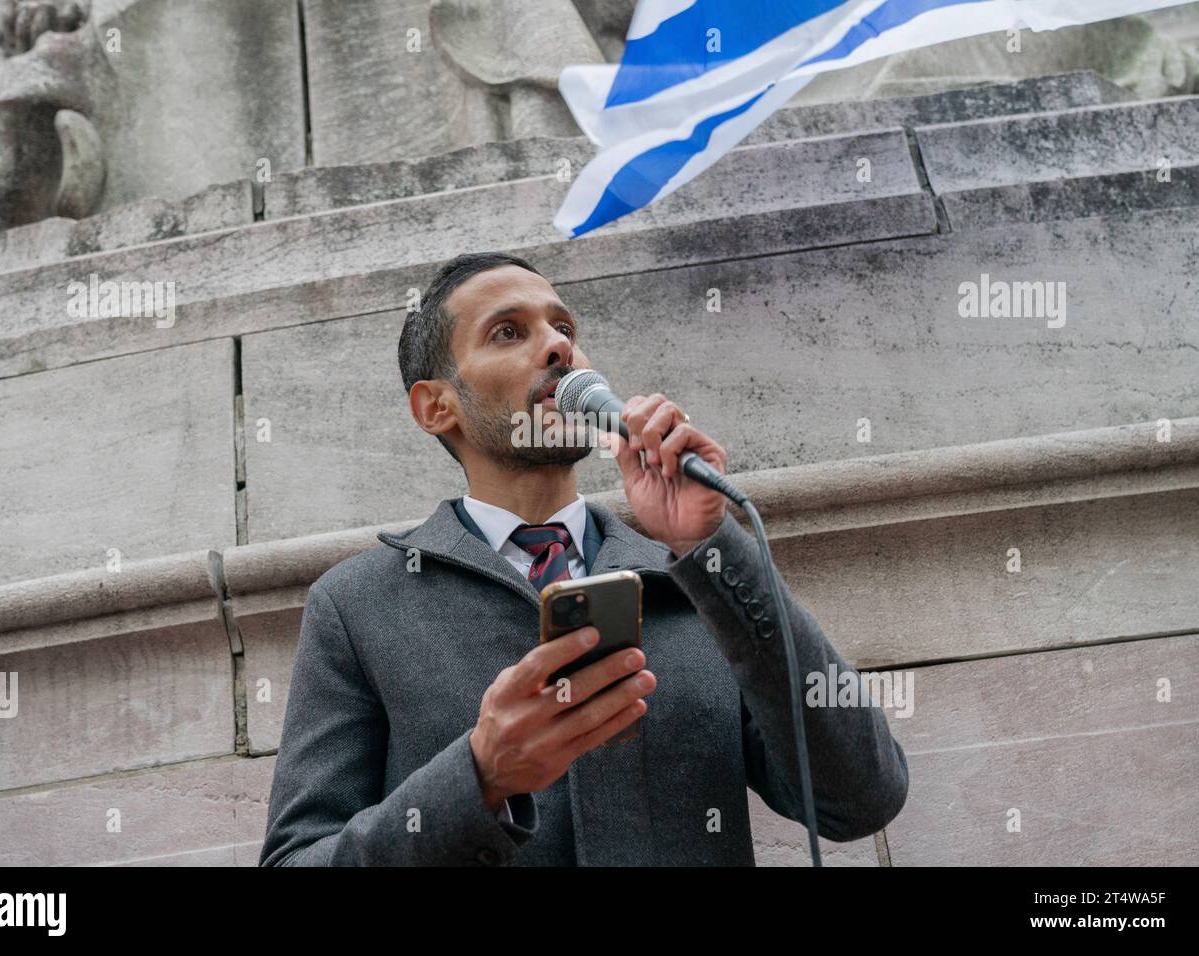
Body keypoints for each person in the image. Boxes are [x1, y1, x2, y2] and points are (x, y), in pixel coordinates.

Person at [258, 251, 909, 866]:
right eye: (508, 332)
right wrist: (479, 776)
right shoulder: (358, 603)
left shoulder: (694, 577)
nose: (558, 346)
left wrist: (713, 546)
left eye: (563, 327)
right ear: (436, 406)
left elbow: (862, 796)